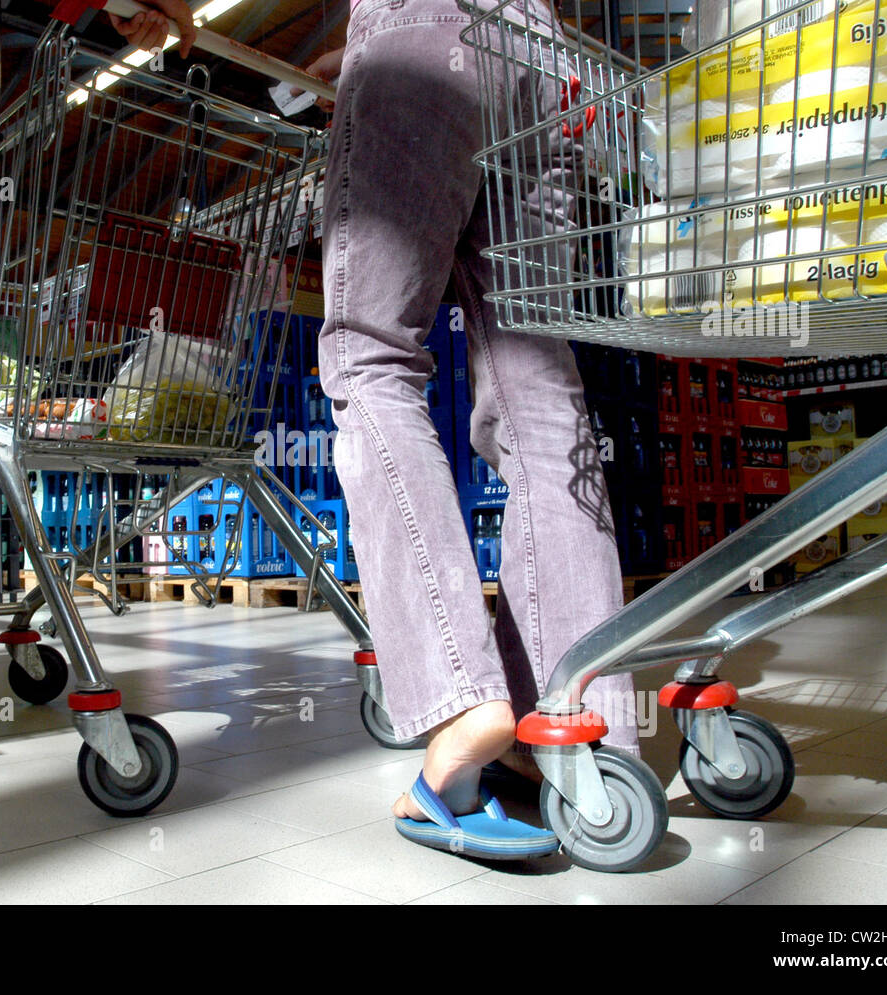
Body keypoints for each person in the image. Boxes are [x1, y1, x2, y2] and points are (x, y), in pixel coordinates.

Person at [114, 0, 641, 861]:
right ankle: (584, 719)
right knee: (541, 396)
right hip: (540, 67)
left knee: (370, 361)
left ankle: (464, 697)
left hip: (420, 33)